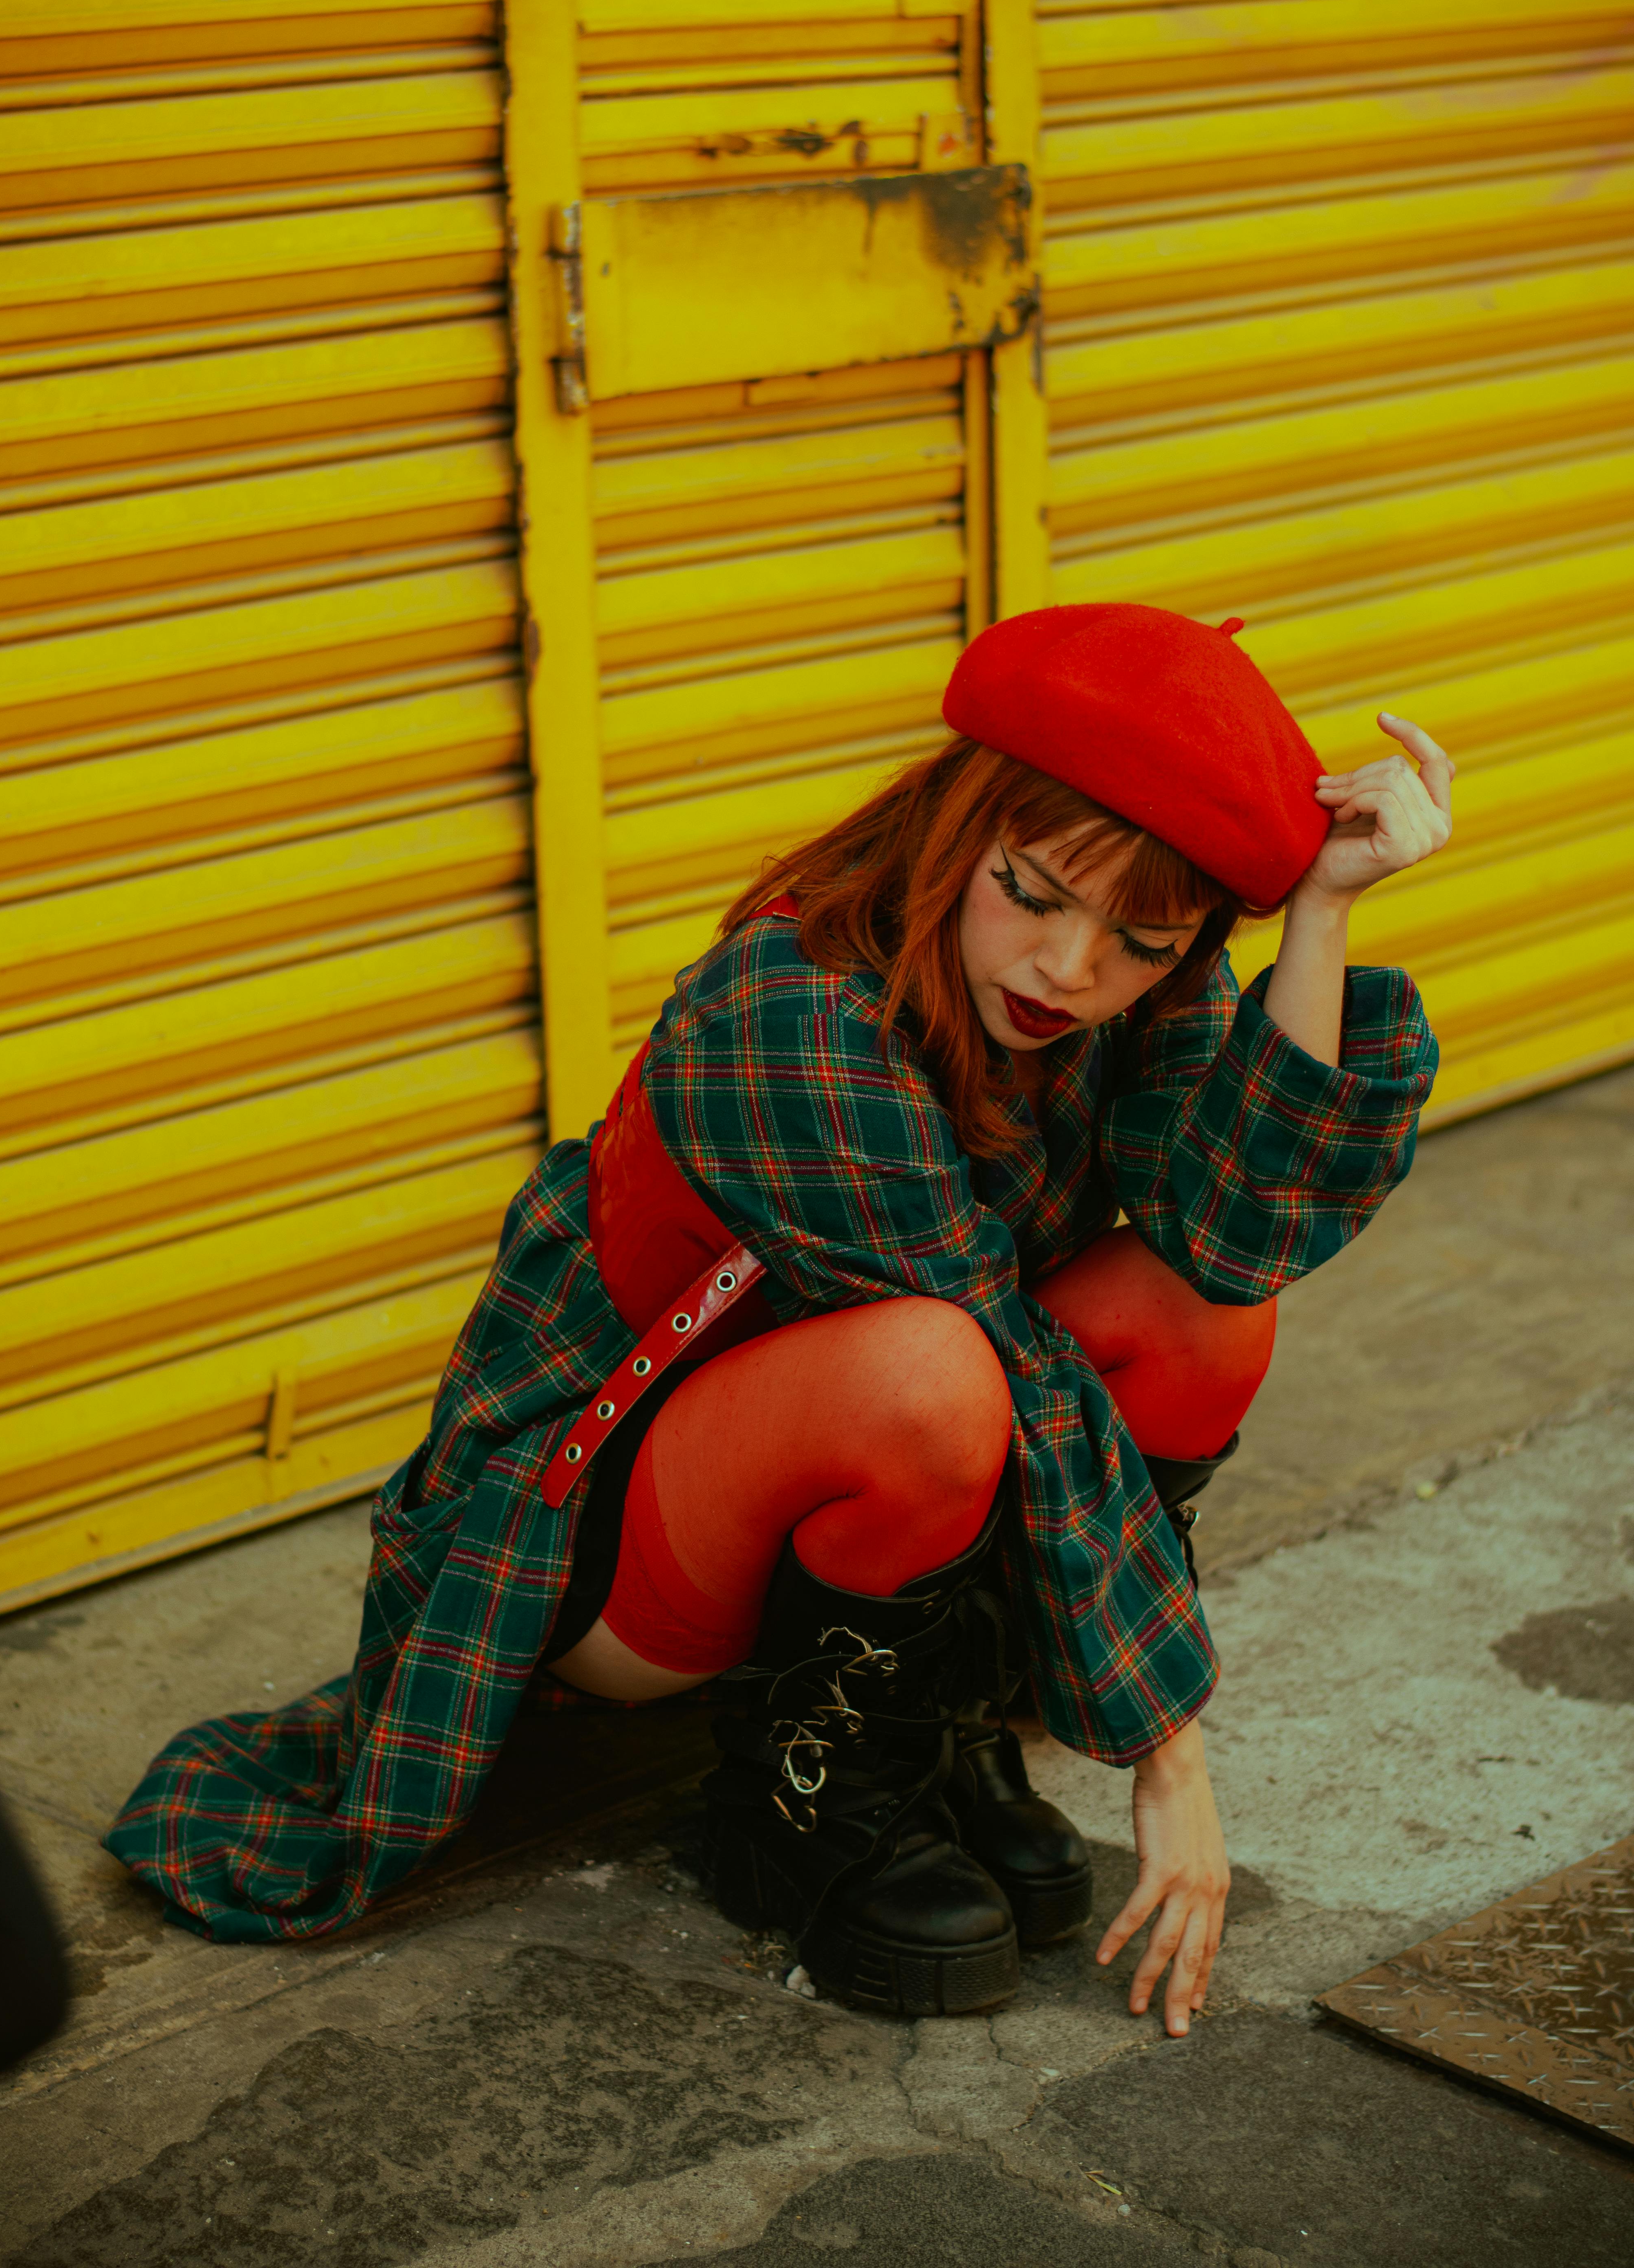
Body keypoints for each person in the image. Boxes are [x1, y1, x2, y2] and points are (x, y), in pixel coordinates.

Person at [108, 602, 1447, 2037]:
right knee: (940, 1372)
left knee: (1203, 1317)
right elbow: (1002, 1360)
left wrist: (1322, 909)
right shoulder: (791, 1012)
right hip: (594, 1526)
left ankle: (933, 1741)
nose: (1071, 970)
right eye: (1034, 893)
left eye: (1140, 939)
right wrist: (1170, 1747)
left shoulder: (1138, 988)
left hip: (848, 1466)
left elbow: (1235, 1236)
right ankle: (801, 1809)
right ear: (958, 827)